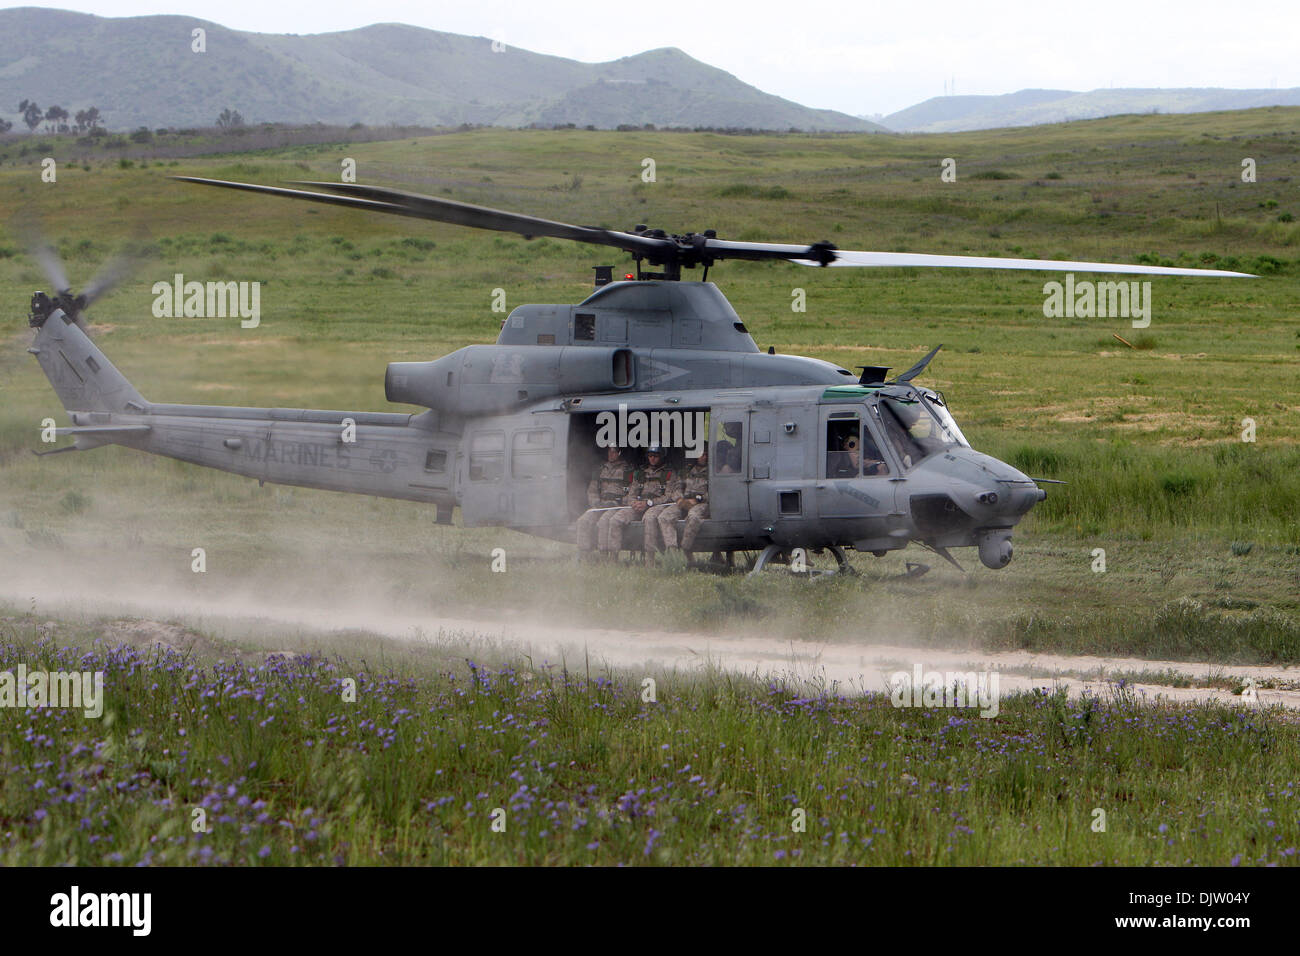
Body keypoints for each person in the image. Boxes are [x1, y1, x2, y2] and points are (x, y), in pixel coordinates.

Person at [605, 445, 675, 559]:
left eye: (656, 456)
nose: (652, 458)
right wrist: (634, 503)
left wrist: (649, 503)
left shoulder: (669, 474)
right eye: (650, 456)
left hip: (656, 506)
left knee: (650, 519)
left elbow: (668, 497)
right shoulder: (641, 473)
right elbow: (631, 494)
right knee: (615, 519)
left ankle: (649, 559)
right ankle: (613, 558)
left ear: (662, 457)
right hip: (638, 506)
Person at [575, 443, 632, 561]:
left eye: (614, 451)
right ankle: (584, 555)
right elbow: (592, 490)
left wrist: (620, 502)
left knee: (604, 521)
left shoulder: (628, 470)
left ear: (619, 453)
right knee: (583, 520)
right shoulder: (600, 469)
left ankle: (605, 556)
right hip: (600, 505)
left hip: (616, 506)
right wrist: (596, 502)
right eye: (609, 451)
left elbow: (633, 492)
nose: (611, 454)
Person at [660, 445, 709, 562]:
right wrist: (679, 499)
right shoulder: (686, 471)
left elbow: (714, 492)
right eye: (702, 454)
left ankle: (686, 550)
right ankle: (672, 551)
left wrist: (698, 499)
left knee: (693, 517)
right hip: (684, 501)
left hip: (702, 503)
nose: (704, 457)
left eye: (707, 455)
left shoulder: (711, 472)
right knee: (665, 516)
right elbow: (676, 487)